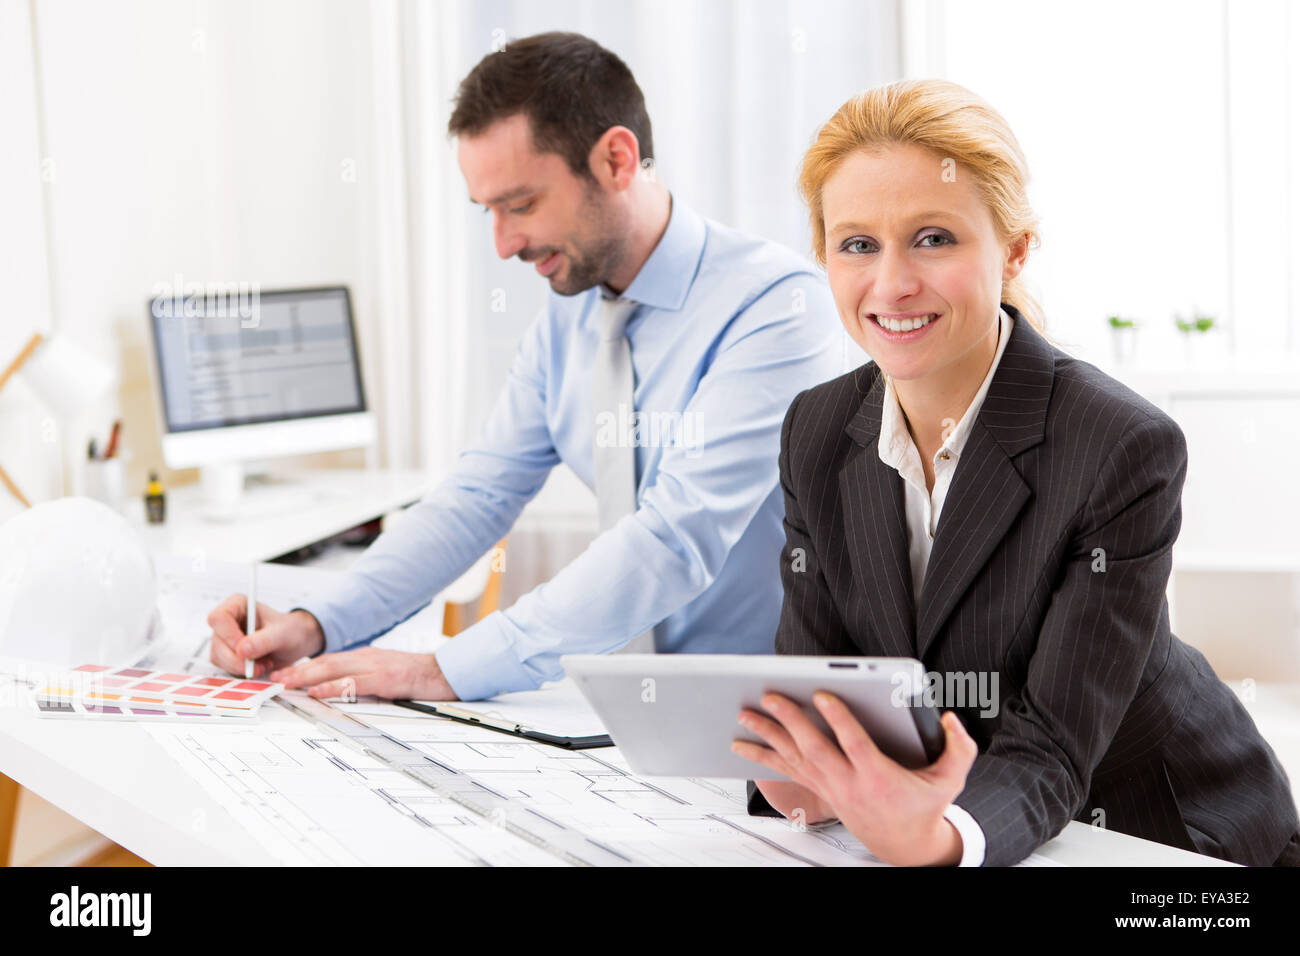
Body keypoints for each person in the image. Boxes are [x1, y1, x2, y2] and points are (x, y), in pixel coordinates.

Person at [734, 79, 1300, 867]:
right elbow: (821, 690)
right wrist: (801, 778)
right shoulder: (818, 429)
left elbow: (1053, 742)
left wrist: (935, 839)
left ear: (1015, 250)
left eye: (933, 238)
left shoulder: (1119, 443)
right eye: (857, 244)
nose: (892, 284)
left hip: (1157, 836)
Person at [205, 32, 842, 702]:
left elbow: (674, 538)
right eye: (489, 211)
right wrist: (317, 623)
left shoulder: (778, 308)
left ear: (617, 160)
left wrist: (441, 669)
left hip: (766, 722)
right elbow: (476, 498)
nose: (504, 243)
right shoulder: (569, 319)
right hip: (612, 710)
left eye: (521, 204)